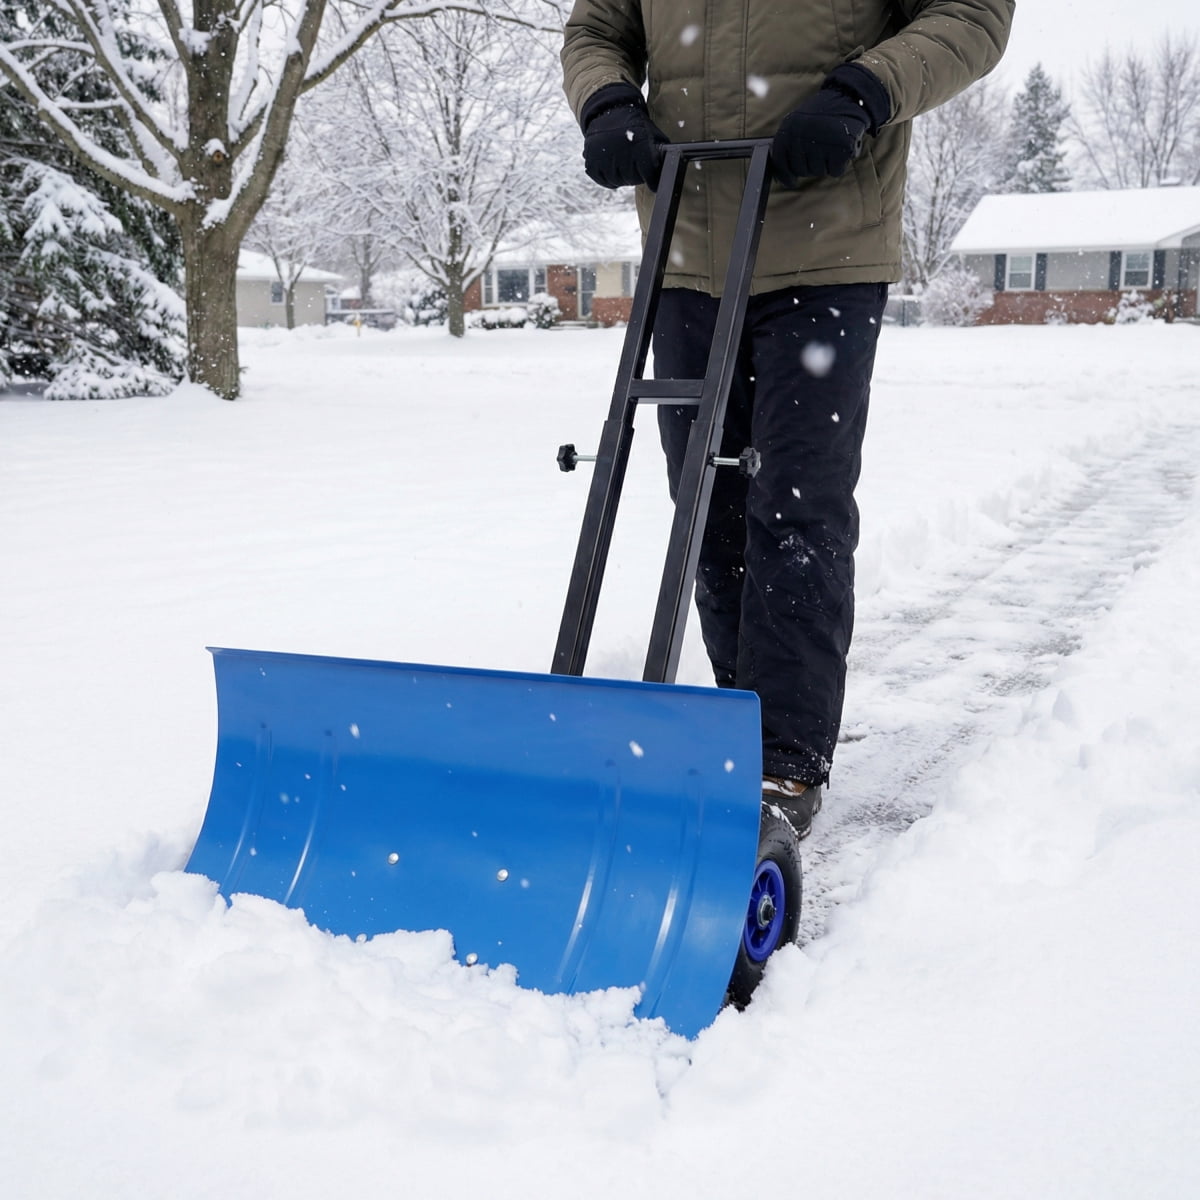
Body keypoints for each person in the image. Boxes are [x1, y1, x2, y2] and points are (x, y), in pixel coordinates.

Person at [562, 1, 1015, 838]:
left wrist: (863, 90)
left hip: (826, 243)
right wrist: (607, 99)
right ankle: (736, 727)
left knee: (796, 507)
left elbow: (972, 12)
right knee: (704, 508)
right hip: (687, 246)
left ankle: (783, 760)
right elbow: (598, 28)